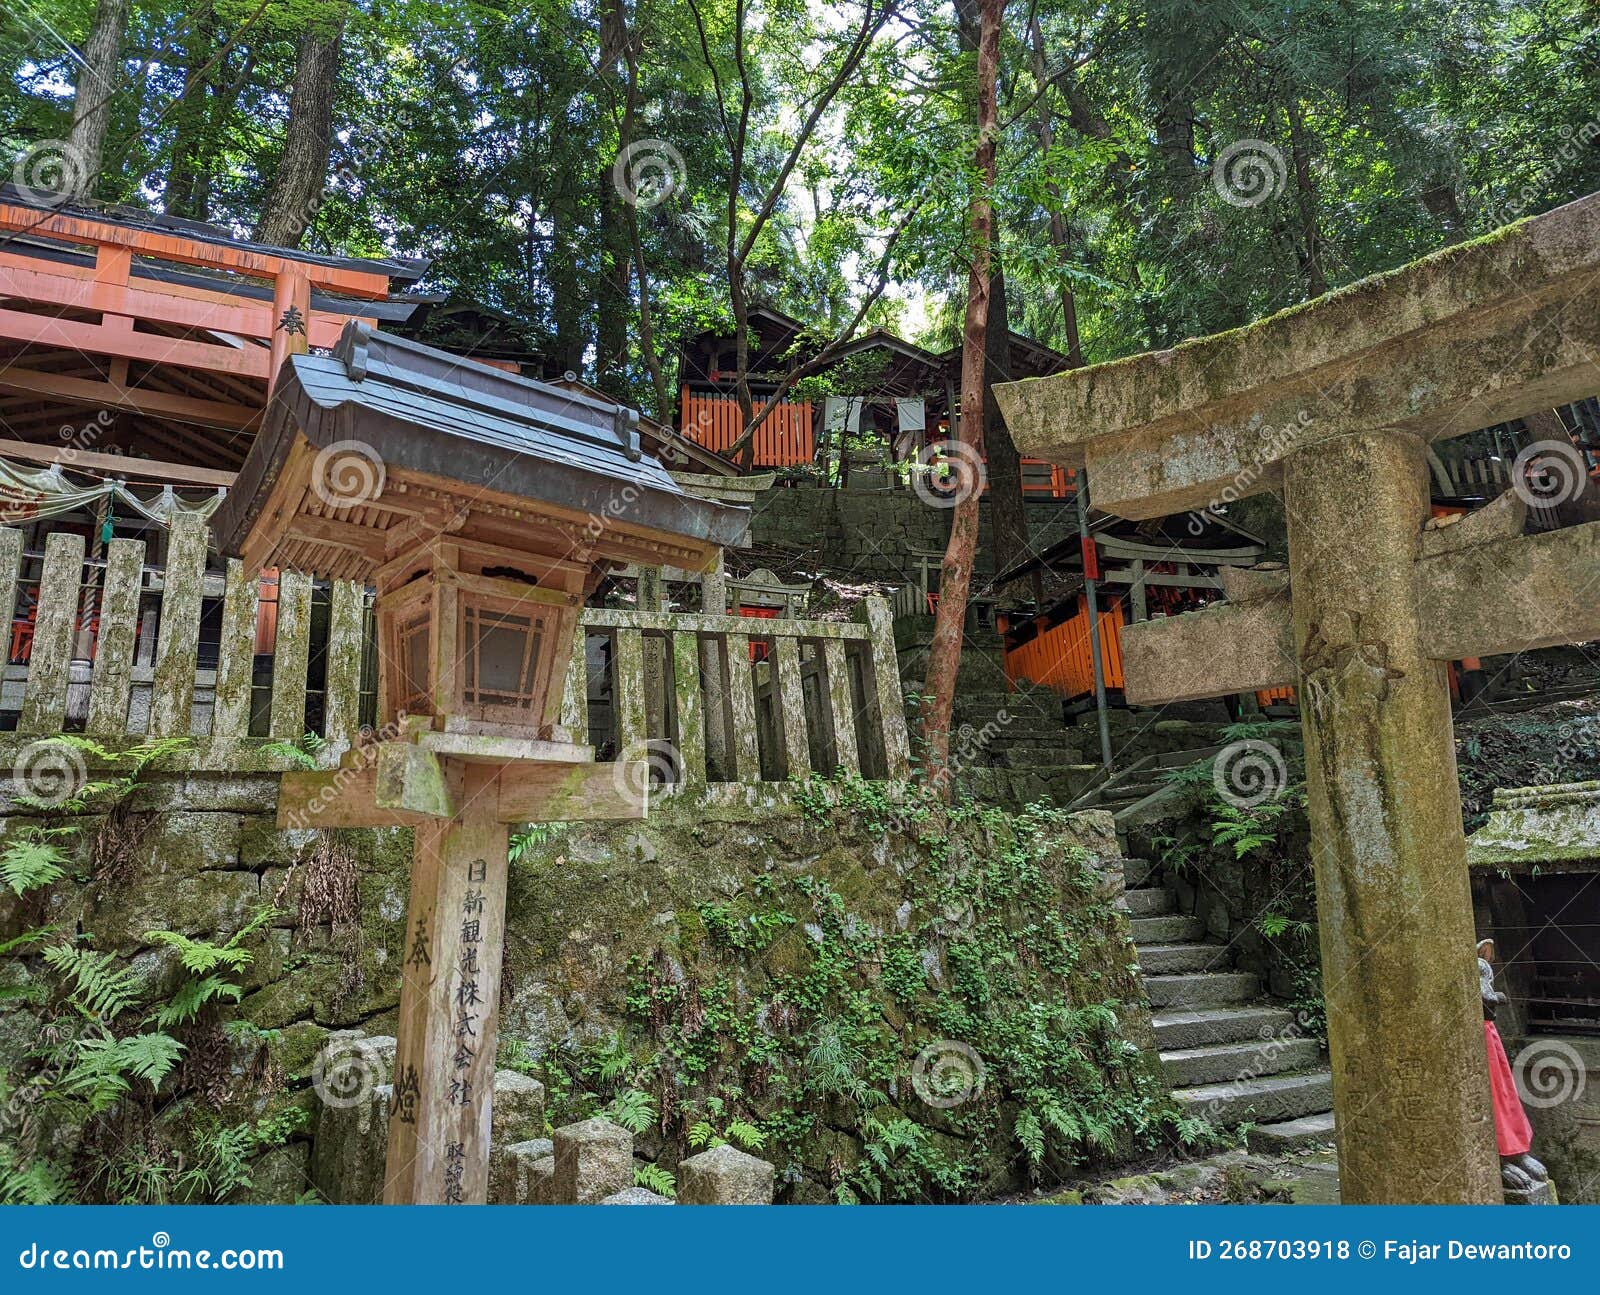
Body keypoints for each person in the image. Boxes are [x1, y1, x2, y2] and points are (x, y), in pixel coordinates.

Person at [1477, 938, 1549, 1191]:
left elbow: (1487, 996)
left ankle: (1515, 1151)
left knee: (1503, 1094)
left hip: (1486, 1032)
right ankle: (1497, 1159)